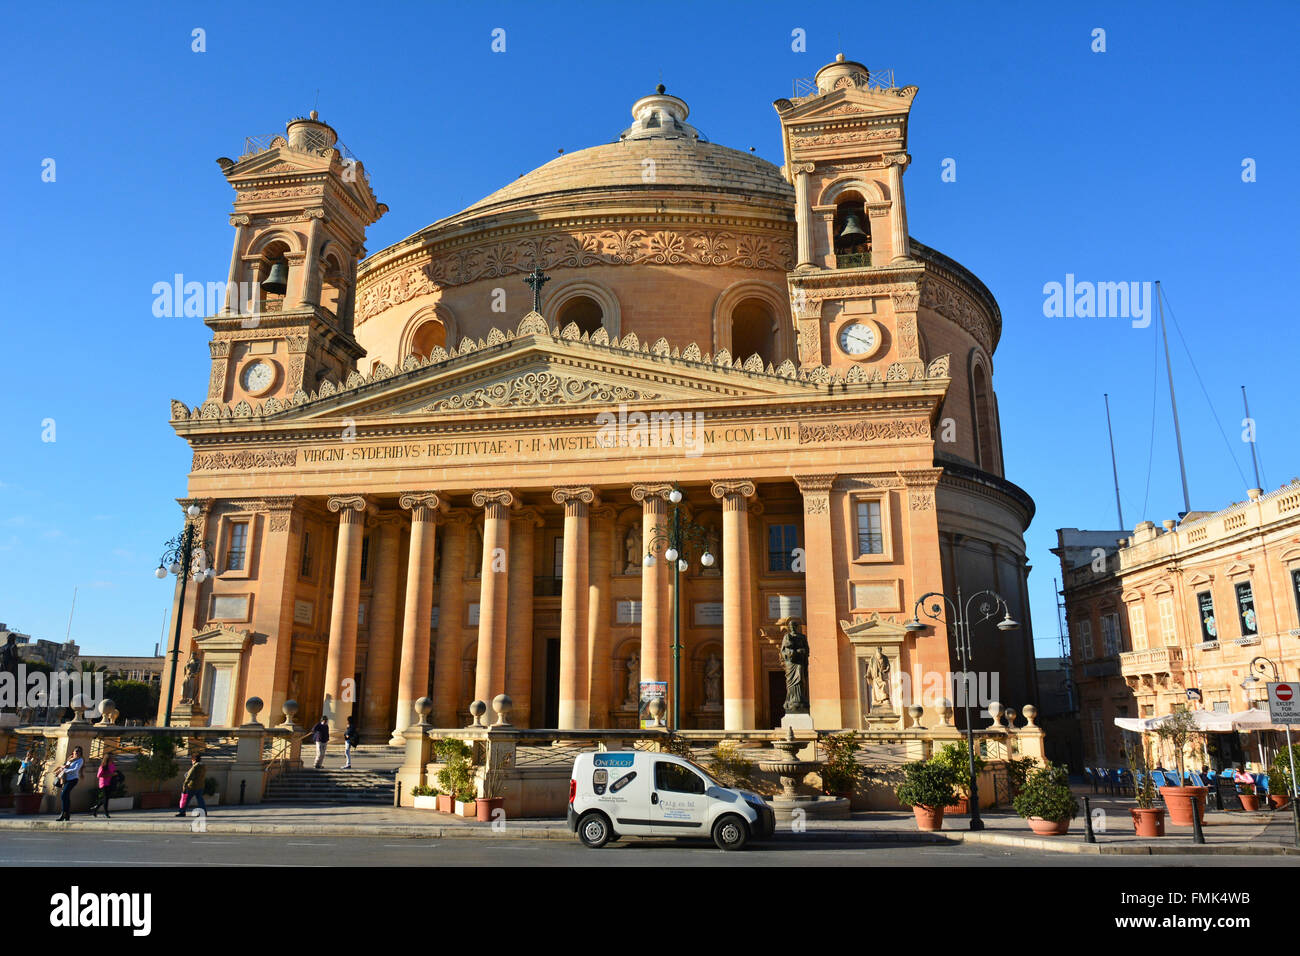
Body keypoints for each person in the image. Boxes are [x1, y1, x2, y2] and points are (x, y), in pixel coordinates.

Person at [54, 746, 84, 822]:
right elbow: (64, 766)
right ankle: (67, 814)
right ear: (73, 752)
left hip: (73, 779)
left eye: (78, 751)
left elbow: (75, 770)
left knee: (64, 795)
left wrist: (64, 769)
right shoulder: (70, 759)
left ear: (80, 753)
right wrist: (61, 770)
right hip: (65, 779)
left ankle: (63, 813)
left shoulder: (80, 760)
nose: (76, 752)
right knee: (65, 796)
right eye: (75, 751)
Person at [91, 753, 119, 818]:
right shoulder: (103, 766)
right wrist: (110, 775)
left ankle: (96, 808)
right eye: (111, 758)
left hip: (110, 783)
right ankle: (106, 813)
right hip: (104, 783)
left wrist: (115, 774)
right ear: (107, 759)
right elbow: (98, 775)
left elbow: (114, 771)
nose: (112, 759)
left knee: (105, 798)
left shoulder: (112, 765)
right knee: (106, 798)